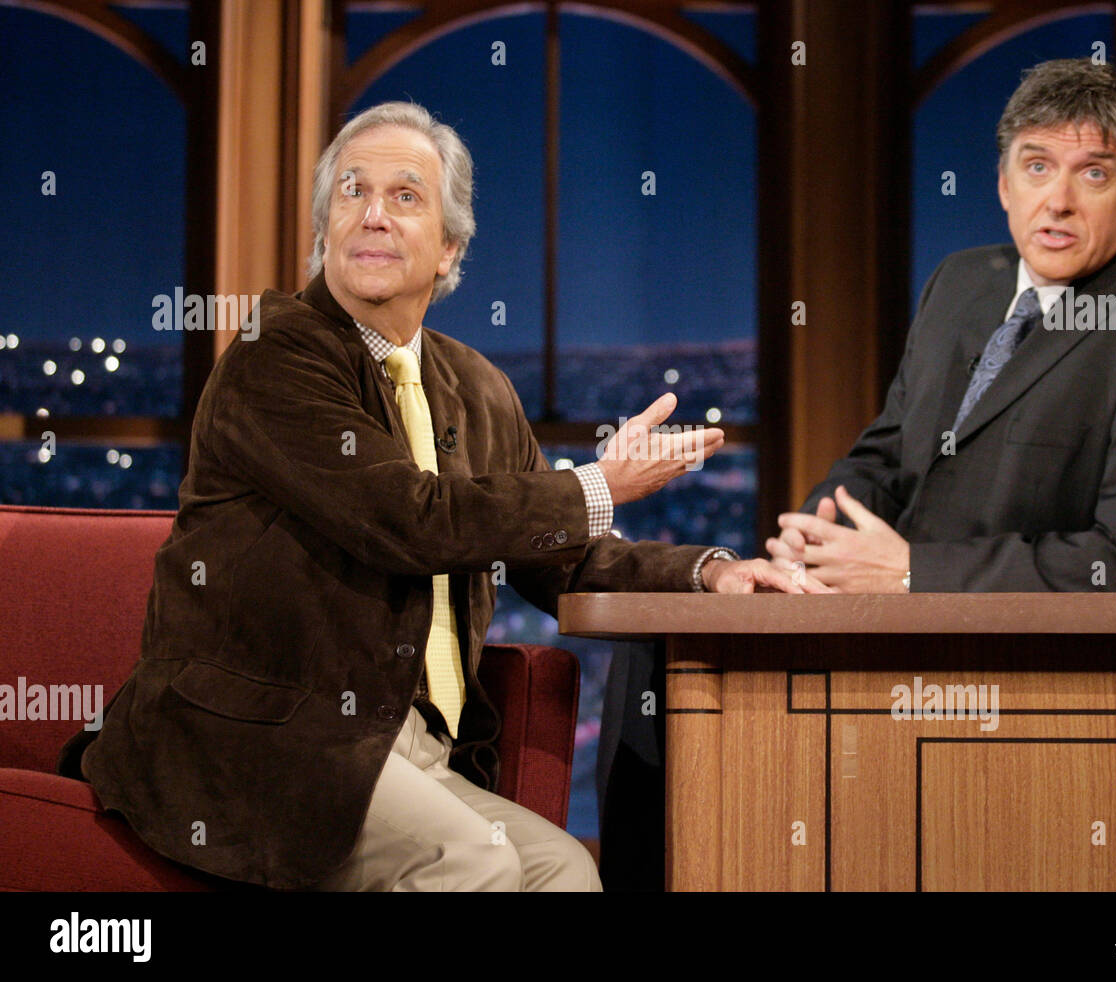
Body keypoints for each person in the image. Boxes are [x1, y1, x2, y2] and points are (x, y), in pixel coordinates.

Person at [56, 100, 813, 892]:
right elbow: (408, 520)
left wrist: (711, 574)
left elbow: (561, 559)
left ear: (450, 247)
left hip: (401, 743)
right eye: (352, 193)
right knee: (473, 859)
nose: (373, 215)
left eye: (405, 196)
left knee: (562, 873)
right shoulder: (274, 352)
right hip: (262, 738)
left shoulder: (476, 388)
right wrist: (598, 483)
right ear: (323, 234)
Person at [768, 58, 1116, 593]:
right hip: (886, 644)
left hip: (1034, 668)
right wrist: (818, 533)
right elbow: (891, 453)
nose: (1058, 202)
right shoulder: (960, 281)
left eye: (1093, 174)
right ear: (1004, 184)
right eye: (1037, 166)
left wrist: (909, 573)